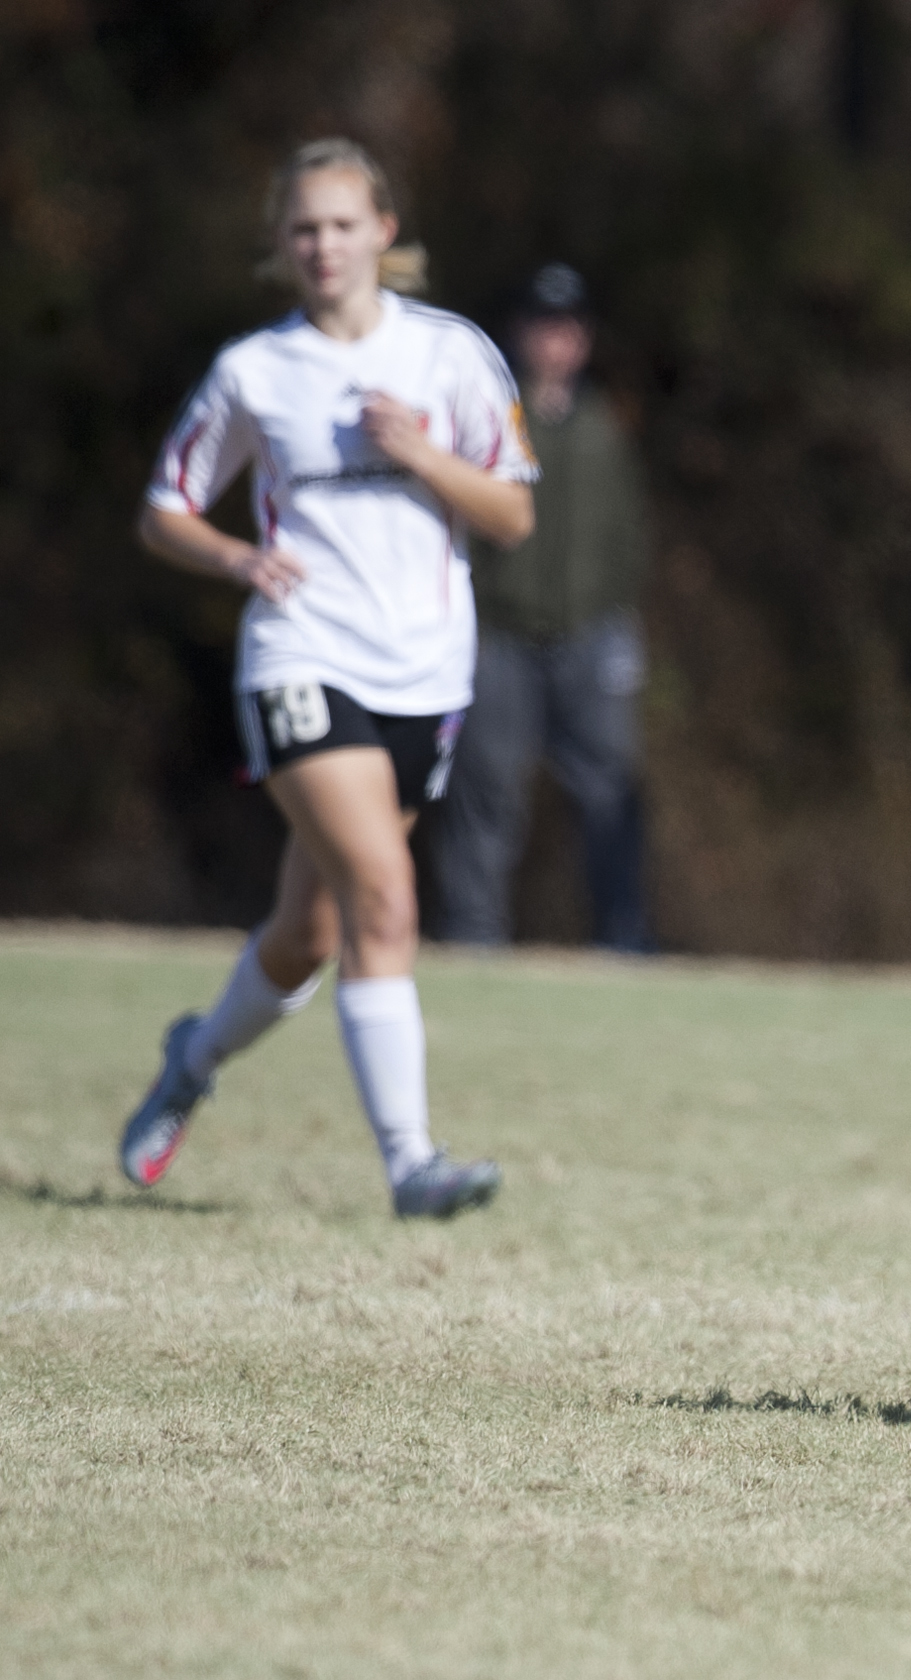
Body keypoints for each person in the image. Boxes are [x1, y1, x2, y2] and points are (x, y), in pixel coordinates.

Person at [119, 138, 536, 1218]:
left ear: (384, 234)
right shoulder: (256, 372)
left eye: (343, 224)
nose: (323, 245)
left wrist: (425, 457)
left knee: (305, 933)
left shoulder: (454, 356)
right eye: (303, 228)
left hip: (423, 674)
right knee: (384, 900)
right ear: (280, 246)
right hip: (301, 652)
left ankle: (193, 1061)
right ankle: (412, 1163)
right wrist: (236, 557)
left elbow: (512, 513)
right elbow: (165, 507)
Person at [430, 263, 653, 951]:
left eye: (569, 329)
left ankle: (625, 945)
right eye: (543, 327)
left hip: (590, 636)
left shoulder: (603, 423)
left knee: (612, 794)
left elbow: (626, 534)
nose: (556, 343)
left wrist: (620, 618)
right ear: (520, 333)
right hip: (500, 637)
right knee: (487, 795)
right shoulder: (488, 415)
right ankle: (474, 941)